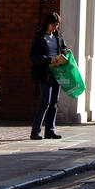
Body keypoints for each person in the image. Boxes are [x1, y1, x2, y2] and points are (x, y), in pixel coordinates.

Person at [29, 11, 68, 141]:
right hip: (44, 72)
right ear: (47, 24)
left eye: (57, 25)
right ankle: (36, 131)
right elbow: (33, 56)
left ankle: (50, 130)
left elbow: (63, 48)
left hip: (57, 72)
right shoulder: (39, 37)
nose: (55, 28)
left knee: (54, 102)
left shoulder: (58, 36)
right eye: (53, 25)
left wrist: (65, 52)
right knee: (45, 101)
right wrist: (47, 59)